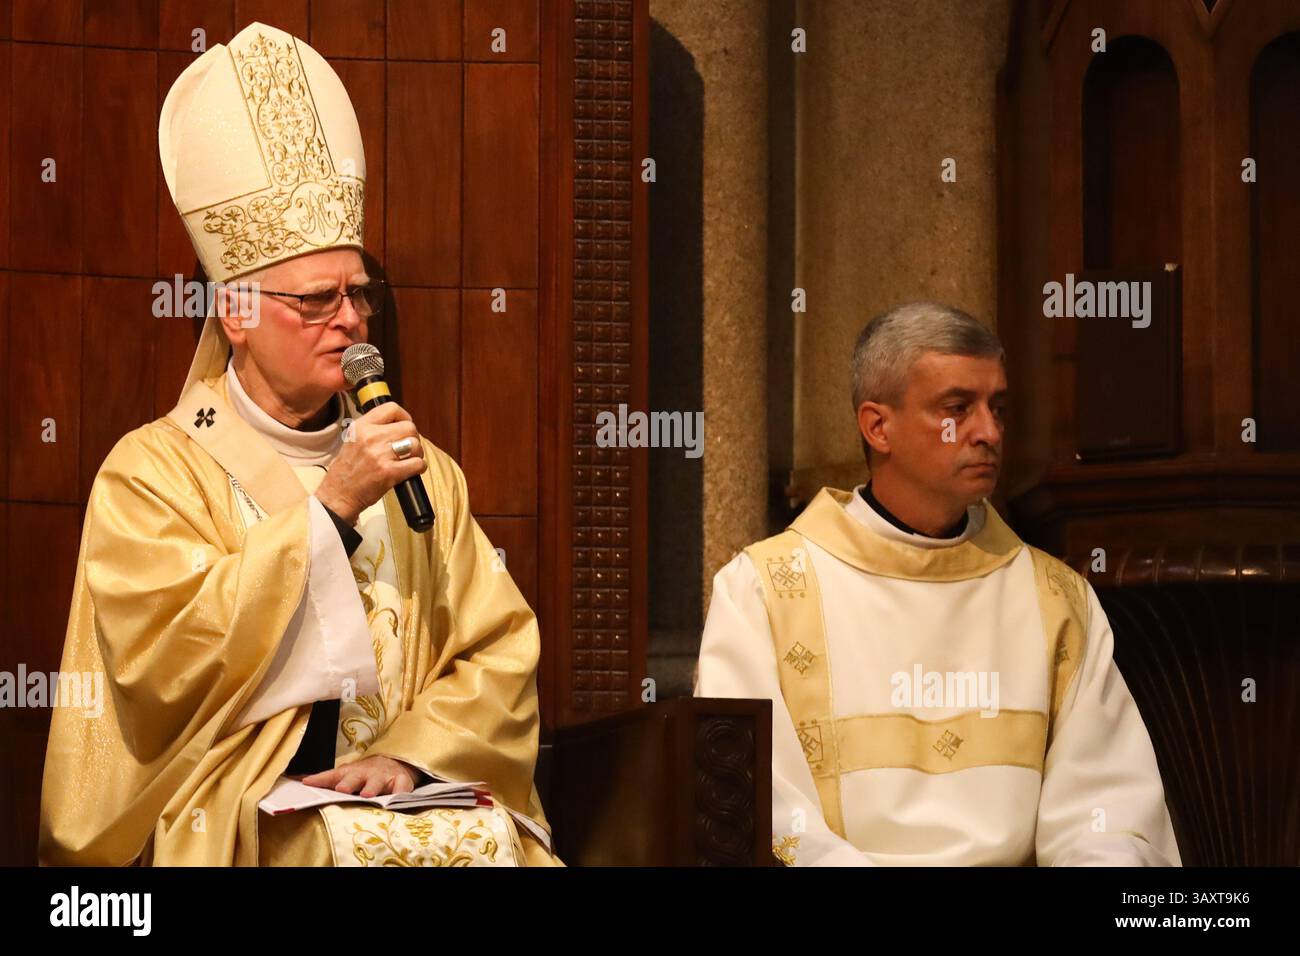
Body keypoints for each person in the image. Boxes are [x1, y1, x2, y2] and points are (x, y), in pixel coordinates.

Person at [40, 22, 558, 867]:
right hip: (240, 805)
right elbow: (158, 669)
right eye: (317, 301)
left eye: (358, 295)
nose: (351, 320)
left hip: (406, 796)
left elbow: (497, 647)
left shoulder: (425, 473)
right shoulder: (155, 472)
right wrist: (330, 510)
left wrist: (410, 754)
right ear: (236, 316)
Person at [694, 301, 1180, 866]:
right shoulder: (765, 593)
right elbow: (761, 806)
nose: (989, 431)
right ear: (878, 426)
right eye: (958, 408)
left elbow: (1108, 810)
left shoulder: (1056, 600)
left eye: (997, 408)